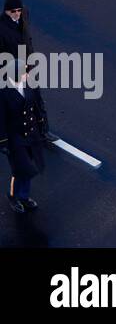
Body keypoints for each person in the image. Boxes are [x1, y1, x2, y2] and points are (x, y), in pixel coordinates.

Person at [2, 64, 47, 214]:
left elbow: (37, 106)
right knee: (22, 168)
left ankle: (24, 196)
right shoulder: (3, 92)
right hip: (15, 137)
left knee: (26, 167)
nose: (27, 75)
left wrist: (42, 127)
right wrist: (3, 142)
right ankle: (13, 196)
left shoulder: (30, 85)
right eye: (24, 73)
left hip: (31, 134)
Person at [0, 0, 34, 69]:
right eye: (13, 11)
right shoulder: (2, 28)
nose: (17, 13)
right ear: (6, 11)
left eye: (19, 10)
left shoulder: (23, 20)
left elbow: (29, 45)